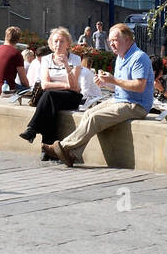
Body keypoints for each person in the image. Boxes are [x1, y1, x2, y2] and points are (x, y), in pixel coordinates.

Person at [43, 24, 152, 168]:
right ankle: (72, 156)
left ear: (127, 40)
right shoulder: (121, 56)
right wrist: (106, 83)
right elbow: (120, 86)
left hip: (137, 105)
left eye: (115, 40)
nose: (111, 44)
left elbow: (139, 86)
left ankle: (62, 147)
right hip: (120, 99)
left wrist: (112, 80)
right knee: (88, 113)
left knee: (95, 118)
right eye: (110, 40)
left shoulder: (139, 57)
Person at [20, 28, 83, 150]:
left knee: (48, 96)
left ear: (68, 44)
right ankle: (48, 149)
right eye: (55, 41)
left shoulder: (75, 59)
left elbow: (74, 86)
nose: (58, 44)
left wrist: (66, 65)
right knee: (50, 104)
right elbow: (45, 84)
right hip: (54, 95)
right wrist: (66, 85)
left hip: (71, 97)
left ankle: (32, 129)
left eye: (61, 41)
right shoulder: (46, 59)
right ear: (51, 44)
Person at [0, 26, 30, 95]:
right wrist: (29, 89)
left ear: (5, 36)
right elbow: (23, 80)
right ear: (18, 39)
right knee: (34, 92)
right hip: (6, 90)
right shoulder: (16, 53)